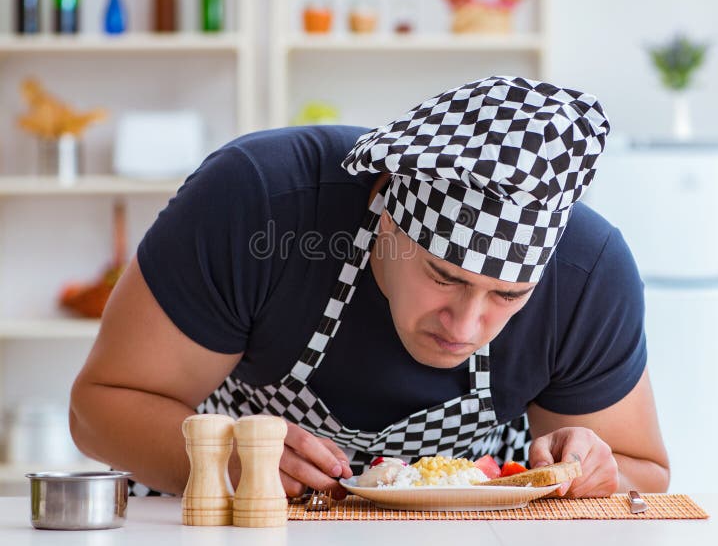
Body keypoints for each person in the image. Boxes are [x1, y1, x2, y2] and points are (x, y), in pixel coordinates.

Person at [69, 76, 669, 499]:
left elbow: (642, 470)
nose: (464, 326)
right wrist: (226, 458)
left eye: (507, 296)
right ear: (384, 209)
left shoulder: (589, 275)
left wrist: (592, 468)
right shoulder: (257, 203)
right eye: (443, 276)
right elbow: (97, 410)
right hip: (239, 515)